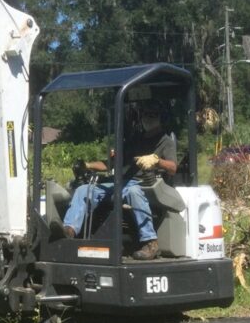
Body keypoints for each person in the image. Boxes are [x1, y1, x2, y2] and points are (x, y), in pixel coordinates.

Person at [62, 100, 177, 259]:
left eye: (153, 115)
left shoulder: (166, 142)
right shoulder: (135, 139)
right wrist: (87, 165)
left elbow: (172, 167)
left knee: (133, 192)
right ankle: (69, 231)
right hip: (120, 182)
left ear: (159, 118)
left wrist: (157, 161)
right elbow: (110, 164)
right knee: (83, 189)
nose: (148, 118)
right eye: (145, 115)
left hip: (144, 184)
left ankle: (151, 242)